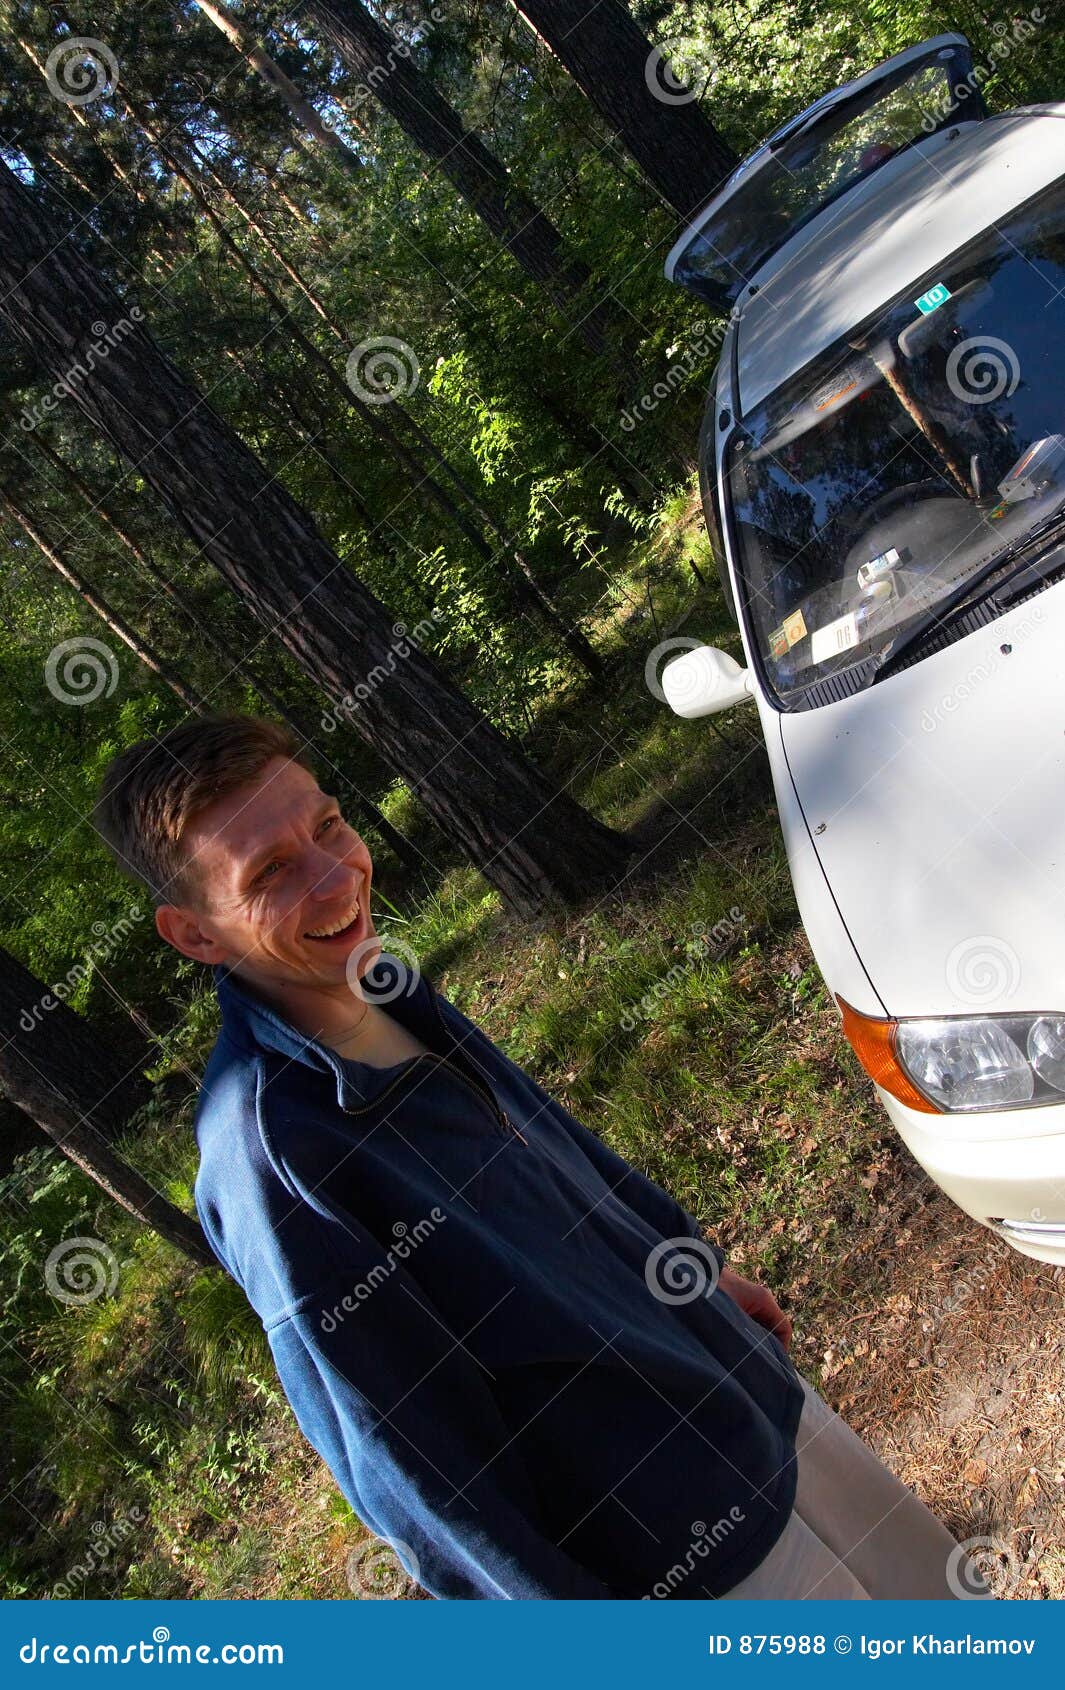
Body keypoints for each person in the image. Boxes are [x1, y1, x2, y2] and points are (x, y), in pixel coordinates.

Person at [93, 714, 984, 1601]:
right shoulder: (271, 1157)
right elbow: (412, 1470)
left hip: (742, 1390)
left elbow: (557, 1149)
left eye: (326, 824)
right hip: (681, 1546)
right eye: (271, 873)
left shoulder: (385, 984)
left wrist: (694, 1269)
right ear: (196, 934)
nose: (336, 874)